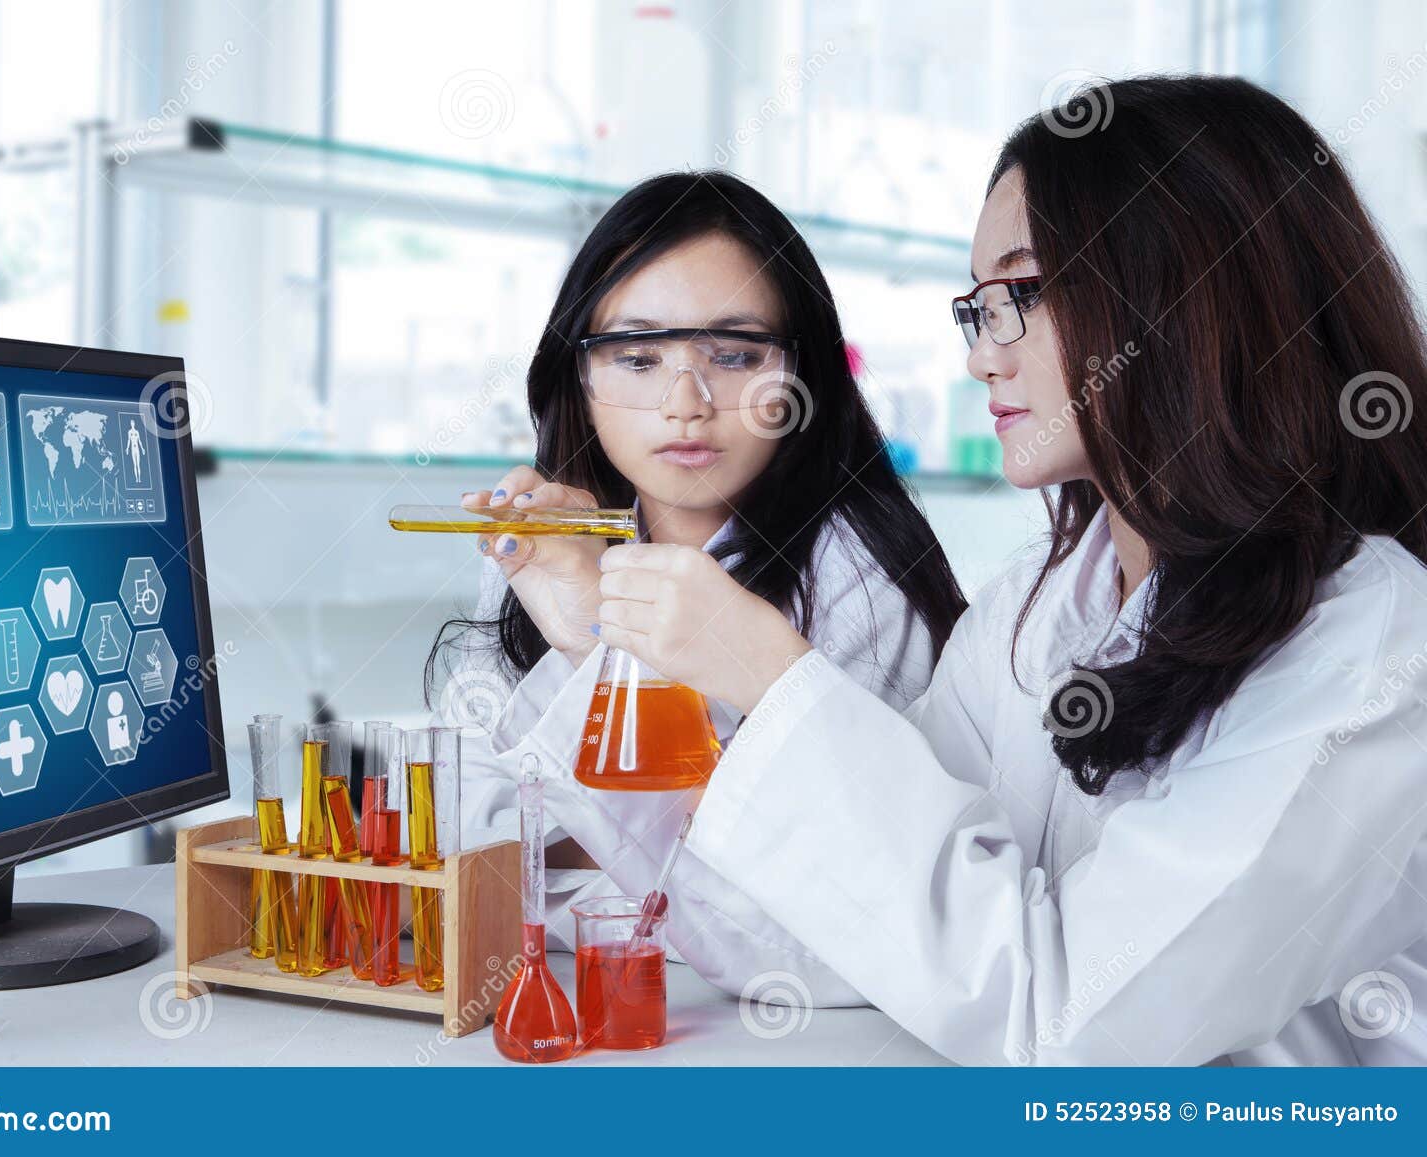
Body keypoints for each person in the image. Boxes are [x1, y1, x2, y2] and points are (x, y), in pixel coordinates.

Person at [560, 76, 1427, 1065]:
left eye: (1022, 294)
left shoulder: (1370, 648)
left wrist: (773, 676)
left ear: (1192, 296)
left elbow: (1075, 1026)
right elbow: (837, 944)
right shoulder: (1035, 607)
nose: (982, 357)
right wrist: (590, 621)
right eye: (976, 308)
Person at [430, 170, 966, 947]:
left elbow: (803, 904)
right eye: (638, 358)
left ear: (802, 375)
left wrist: (596, 642)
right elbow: (459, 833)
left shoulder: (864, 582)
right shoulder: (547, 547)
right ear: (578, 375)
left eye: (736, 356)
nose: (686, 402)